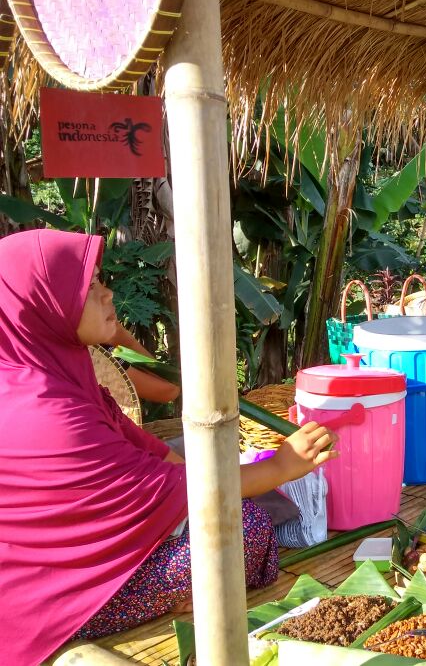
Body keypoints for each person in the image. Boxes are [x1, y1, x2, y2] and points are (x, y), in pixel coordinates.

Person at [0, 229, 338, 665]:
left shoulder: (52, 368)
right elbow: (177, 488)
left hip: (76, 558)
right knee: (244, 529)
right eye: (90, 287)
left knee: (228, 506)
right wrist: (282, 466)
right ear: (42, 307)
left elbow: (149, 448)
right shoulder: (41, 411)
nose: (107, 295)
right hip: (52, 599)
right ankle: (176, 598)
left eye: (101, 281)